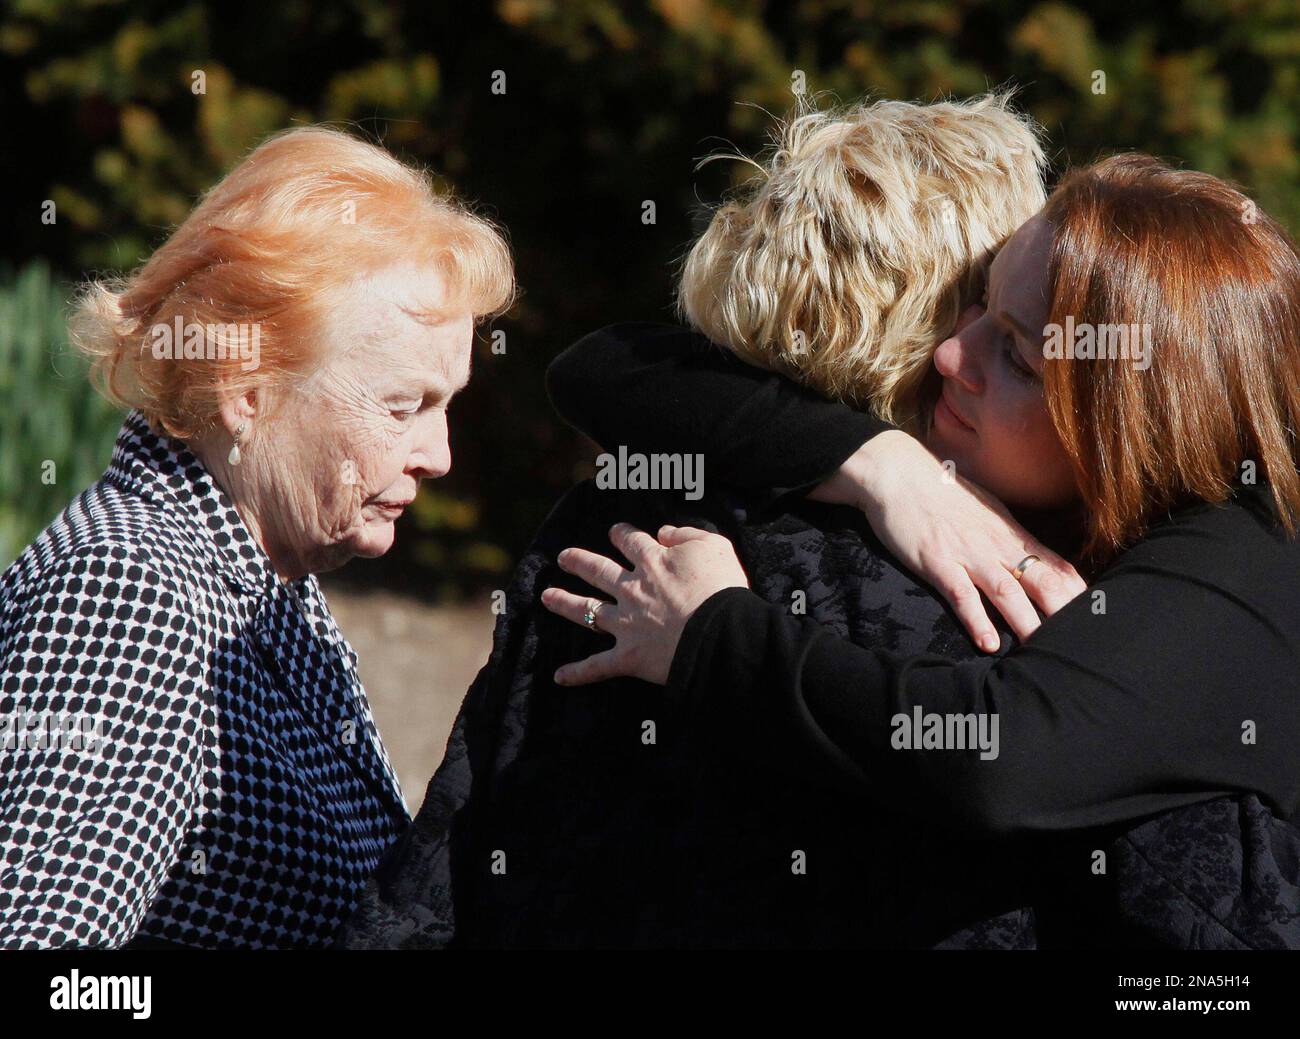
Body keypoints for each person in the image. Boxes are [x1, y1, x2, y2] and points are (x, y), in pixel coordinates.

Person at [341, 96, 1132, 949]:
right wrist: (882, 465)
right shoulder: (992, 603)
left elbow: (470, 828)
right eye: (996, 309)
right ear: (946, 315)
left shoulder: (624, 497)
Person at [542, 155, 1300, 949]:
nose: (951, 356)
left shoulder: (1246, 563)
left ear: (1135, 425)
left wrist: (714, 636)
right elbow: (601, 370)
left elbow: (997, 757)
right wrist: (881, 467)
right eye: (977, 306)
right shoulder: (1013, 472)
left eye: (1014, 356)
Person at [0, 126, 515, 948]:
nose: (440, 454)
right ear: (246, 389)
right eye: (400, 406)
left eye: (444, 403)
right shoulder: (129, 588)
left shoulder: (264, 573)